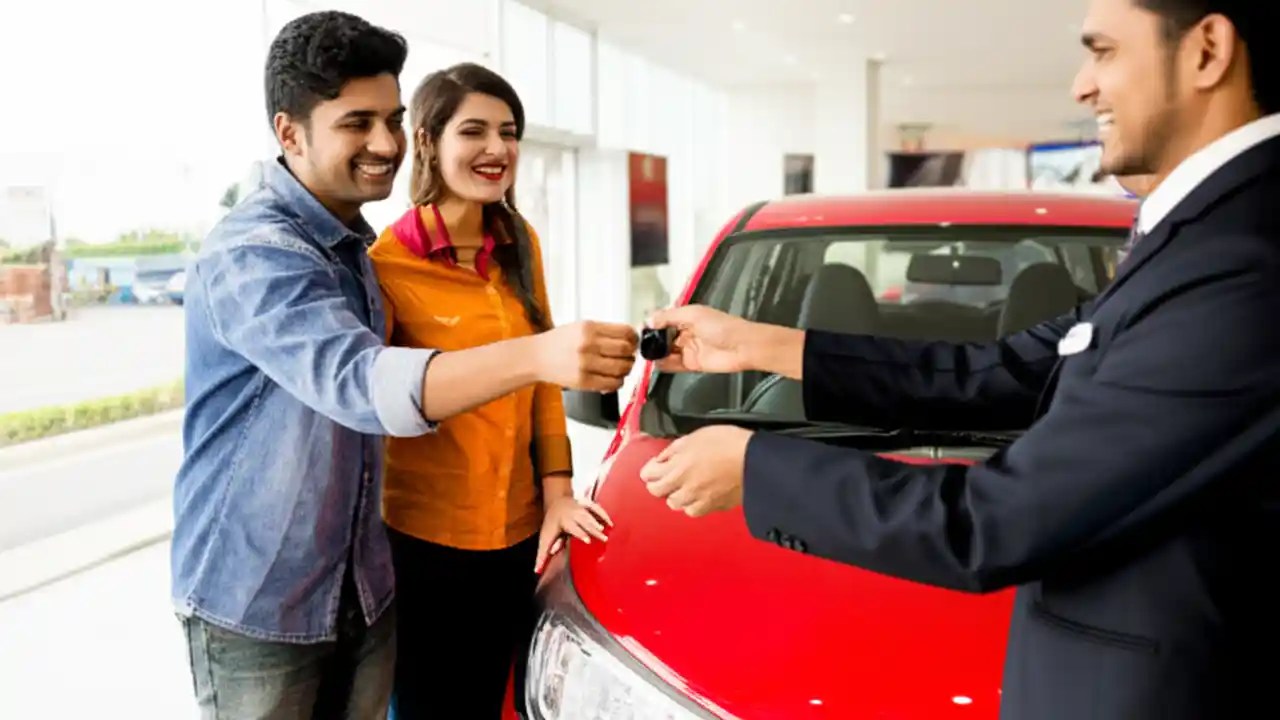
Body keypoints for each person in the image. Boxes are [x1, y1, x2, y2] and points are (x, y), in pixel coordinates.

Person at [639, 1, 1280, 718]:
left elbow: (997, 520)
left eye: (1102, 51)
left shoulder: (1244, 260)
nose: (1081, 85)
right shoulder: (1209, 234)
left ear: (1208, 50)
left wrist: (756, 466)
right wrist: (764, 346)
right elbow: (999, 372)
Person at [172, 12, 636, 719]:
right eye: (358, 122)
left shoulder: (356, 248)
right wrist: (539, 354)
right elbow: (363, 384)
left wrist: (555, 487)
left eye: (390, 118)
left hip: (365, 582)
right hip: (264, 601)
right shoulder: (261, 253)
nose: (383, 143)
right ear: (289, 133)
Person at [364, 62, 616, 719]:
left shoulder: (519, 243)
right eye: (473, 130)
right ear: (427, 140)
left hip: (518, 536)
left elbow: (543, 380)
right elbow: (377, 405)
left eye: (509, 132)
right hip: (424, 545)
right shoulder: (387, 267)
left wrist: (559, 492)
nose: (497, 149)